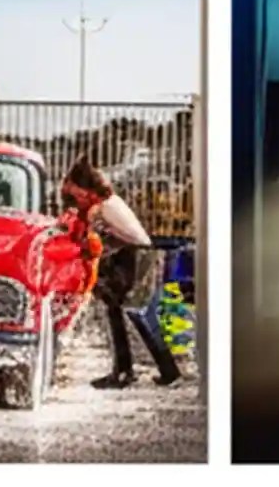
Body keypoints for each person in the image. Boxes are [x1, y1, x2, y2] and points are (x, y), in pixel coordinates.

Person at [61, 155, 181, 389]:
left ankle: (133, 371)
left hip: (135, 256)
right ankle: (140, 370)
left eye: (76, 194)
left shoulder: (98, 208)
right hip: (139, 254)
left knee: (134, 313)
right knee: (129, 312)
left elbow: (93, 242)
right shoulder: (110, 202)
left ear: (86, 190)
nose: (75, 199)